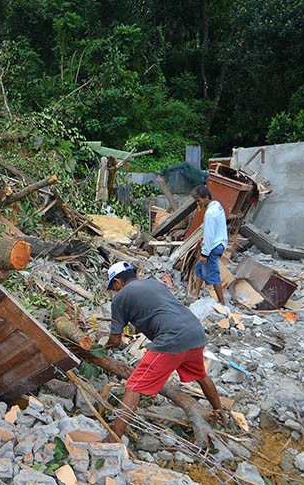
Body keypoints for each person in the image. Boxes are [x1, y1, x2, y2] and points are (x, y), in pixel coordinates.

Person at [100, 261, 228, 443]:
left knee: (133, 386)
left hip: (172, 338)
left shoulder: (120, 298)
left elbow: (115, 340)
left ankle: (113, 439)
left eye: (113, 286)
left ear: (118, 282)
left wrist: (99, 348)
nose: (114, 290)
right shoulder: (154, 285)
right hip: (194, 332)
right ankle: (221, 414)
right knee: (201, 375)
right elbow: (155, 314)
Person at [189, 185, 228, 306]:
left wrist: (205, 254)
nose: (198, 203)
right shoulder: (217, 205)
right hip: (219, 242)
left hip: (213, 246)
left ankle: (222, 302)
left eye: (199, 200)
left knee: (213, 274)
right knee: (199, 269)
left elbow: (210, 235)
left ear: (206, 198)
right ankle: (195, 295)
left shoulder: (210, 213)